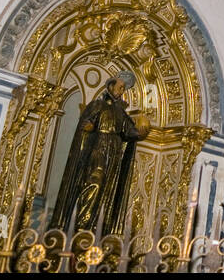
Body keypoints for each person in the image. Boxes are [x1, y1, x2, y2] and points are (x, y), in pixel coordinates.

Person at [50, 70, 151, 233]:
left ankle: (96, 225)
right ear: (110, 86)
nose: (121, 90)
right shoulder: (98, 105)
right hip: (98, 146)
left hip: (114, 150)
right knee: (94, 181)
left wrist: (141, 132)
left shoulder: (120, 112)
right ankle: (81, 224)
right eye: (120, 86)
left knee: (106, 187)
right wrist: (92, 127)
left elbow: (128, 131)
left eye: (124, 88)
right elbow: (87, 122)